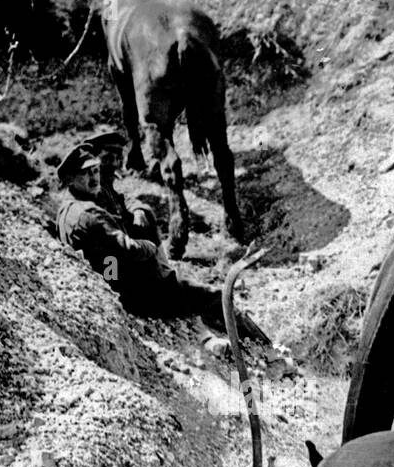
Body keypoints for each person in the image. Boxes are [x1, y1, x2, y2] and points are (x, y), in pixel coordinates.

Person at [54, 133, 267, 341]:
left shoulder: (68, 207)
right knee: (213, 296)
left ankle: (211, 335)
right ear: (71, 179)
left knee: (187, 292)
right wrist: (151, 246)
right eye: (88, 172)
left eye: (95, 170)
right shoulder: (91, 211)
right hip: (134, 292)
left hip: (115, 280)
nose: (96, 175)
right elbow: (128, 250)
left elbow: (123, 201)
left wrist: (139, 210)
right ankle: (269, 348)